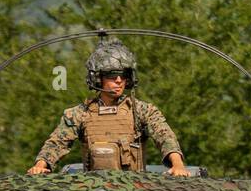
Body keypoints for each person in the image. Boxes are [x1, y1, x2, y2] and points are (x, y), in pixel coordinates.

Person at [27, 38, 191, 176]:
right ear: (98, 79)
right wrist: (41, 165)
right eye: (112, 75)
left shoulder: (142, 111)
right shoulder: (79, 113)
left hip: (134, 190)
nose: (119, 80)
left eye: (123, 75)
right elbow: (57, 142)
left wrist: (177, 164)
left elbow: (165, 136)